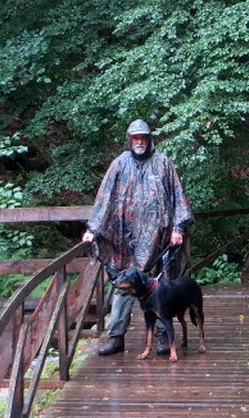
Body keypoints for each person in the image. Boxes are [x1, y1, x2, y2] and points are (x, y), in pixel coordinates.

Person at [82, 119, 193, 356]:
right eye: (135, 138)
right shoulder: (119, 165)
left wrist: (178, 228)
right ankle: (116, 337)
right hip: (126, 244)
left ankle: (164, 337)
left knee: (163, 289)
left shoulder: (164, 164)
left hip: (160, 241)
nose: (139, 141)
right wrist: (93, 229)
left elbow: (178, 198)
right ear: (129, 139)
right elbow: (104, 199)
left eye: (143, 137)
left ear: (150, 138)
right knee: (123, 289)